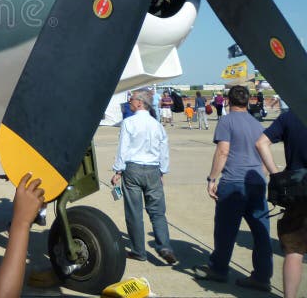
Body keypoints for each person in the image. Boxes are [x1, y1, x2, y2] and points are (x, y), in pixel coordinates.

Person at [194, 85, 272, 291]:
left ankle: (219, 269)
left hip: (233, 183)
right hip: (256, 183)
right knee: (261, 232)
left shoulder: (226, 121)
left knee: (225, 231)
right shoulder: (257, 124)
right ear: (248, 101)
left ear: (228, 100)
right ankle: (262, 276)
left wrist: (212, 178)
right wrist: (260, 177)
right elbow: (266, 156)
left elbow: (223, 151)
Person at [110, 88, 177, 264]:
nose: (129, 102)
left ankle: (138, 251)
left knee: (134, 212)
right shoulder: (157, 125)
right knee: (157, 212)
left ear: (140, 103)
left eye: (132, 99)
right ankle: (164, 247)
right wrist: (162, 171)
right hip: (153, 169)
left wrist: (118, 170)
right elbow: (164, 150)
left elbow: (123, 148)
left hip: (133, 169)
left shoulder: (128, 122)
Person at [255, 110, 307, 298]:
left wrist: (276, 175)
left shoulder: (290, 116)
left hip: (298, 189)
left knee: (294, 250)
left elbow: (261, 143)